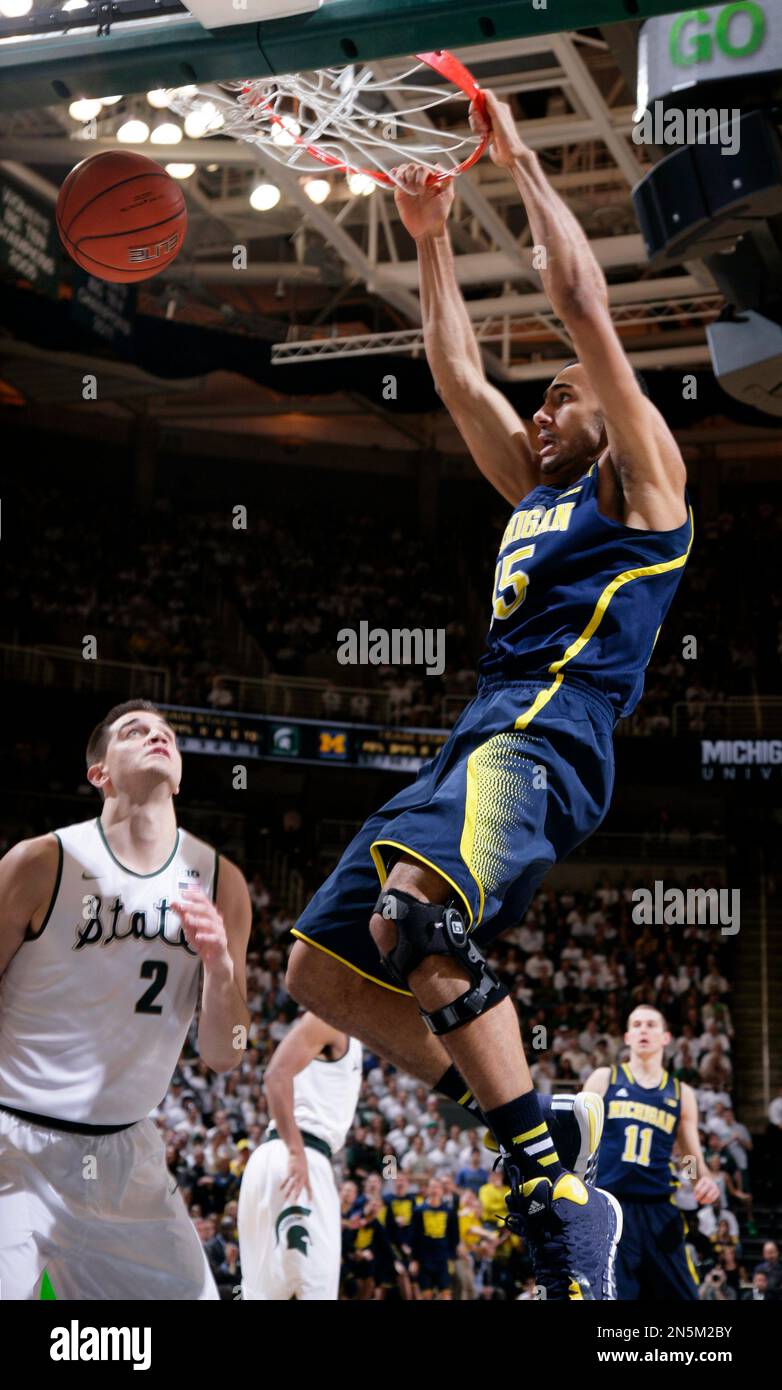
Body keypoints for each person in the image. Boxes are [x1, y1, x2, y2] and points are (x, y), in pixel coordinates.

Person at [286, 89, 691, 1300]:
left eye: (559, 397)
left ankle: (547, 1192)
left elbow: (580, 306)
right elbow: (455, 374)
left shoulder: (644, 490)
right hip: (477, 732)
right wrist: (425, 236)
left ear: (603, 417)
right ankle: (549, 1139)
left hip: (548, 737)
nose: (543, 407)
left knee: (415, 922)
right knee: (321, 974)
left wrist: (516, 157)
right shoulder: (534, 491)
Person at [0, 699, 251, 1300]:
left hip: (127, 1157)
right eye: (134, 731)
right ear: (100, 773)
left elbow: (227, 1053)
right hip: (13, 1143)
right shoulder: (41, 862)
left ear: (182, 773)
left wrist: (219, 967)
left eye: (166, 734)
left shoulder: (222, 882)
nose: (155, 736)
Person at [584, 1006, 720, 1300]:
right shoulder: (604, 1079)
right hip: (611, 1209)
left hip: (659, 1210)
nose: (643, 1029)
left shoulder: (681, 1093)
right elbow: (579, 1143)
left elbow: (688, 1157)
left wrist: (700, 1181)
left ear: (666, 1037)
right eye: (637, 1024)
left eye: (650, 1024)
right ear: (628, 1036)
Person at [238, 1011, 361, 1300]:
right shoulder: (329, 1017)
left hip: (279, 1155)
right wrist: (295, 1151)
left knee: (263, 1293)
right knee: (315, 1289)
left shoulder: (351, 1032)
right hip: (300, 1154)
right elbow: (275, 1075)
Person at [409, 1176, 459, 1301]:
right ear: (427, 1189)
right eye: (432, 1187)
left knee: (446, 1295)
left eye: (437, 1187)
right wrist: (414, 1260)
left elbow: (454, 1237)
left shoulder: (449, 1211)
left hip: (442, 1259)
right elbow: (414, 1237)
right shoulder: (418, 1211)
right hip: (424, 1259)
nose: (434, 1190)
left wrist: (451, 1257)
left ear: (442, 1190)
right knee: (426, 1295)